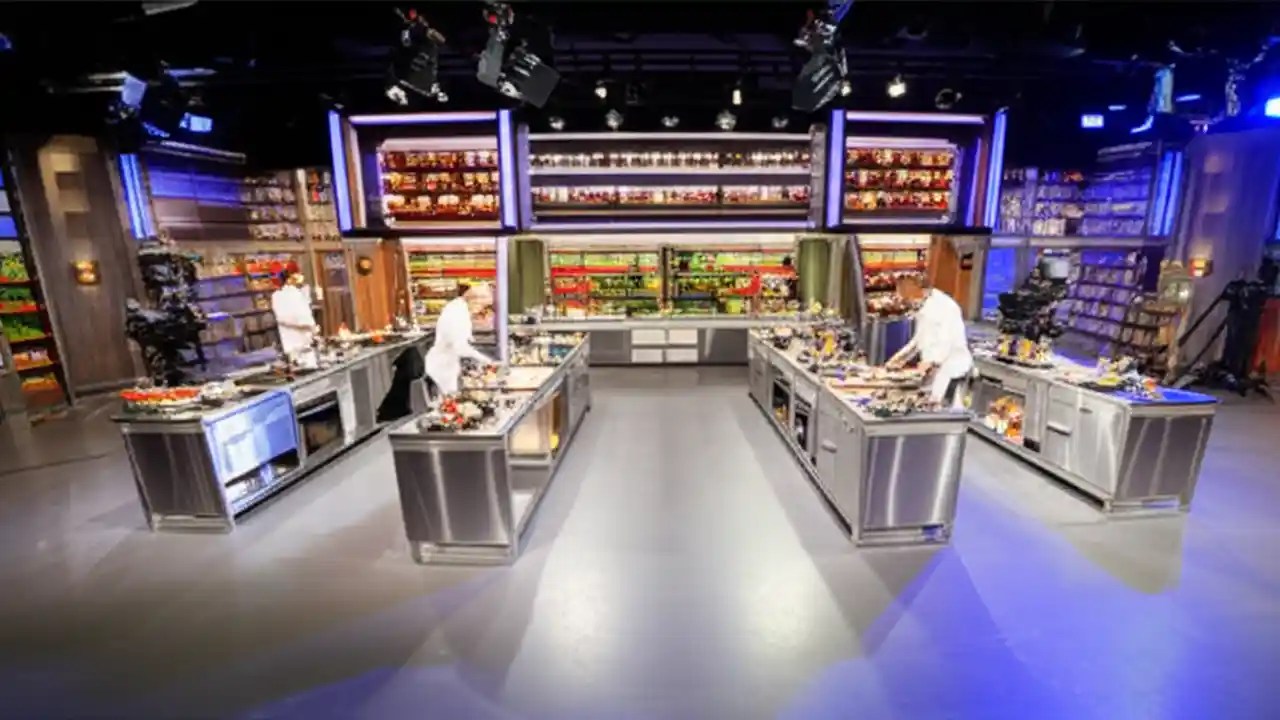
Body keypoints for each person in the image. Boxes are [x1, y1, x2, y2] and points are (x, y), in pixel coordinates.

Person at [886, 275, 973, 408]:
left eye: (905, 297)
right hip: (933, 371)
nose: (906, 302)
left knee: (944, 413)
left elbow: (946, 341)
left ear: (916, 289)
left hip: (951, 370)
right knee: (927, 405)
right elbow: (919, 339)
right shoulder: (924, 306)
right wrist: (899, 358)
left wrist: (930, 362)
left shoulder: (946, 306)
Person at [425, 282, 494, 397]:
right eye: (483, 306)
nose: (481, 311)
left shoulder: (458, 307)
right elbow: (461, 348)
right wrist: (486, 360)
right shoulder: (458, 313)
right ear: (475, 300)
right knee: (447, 401)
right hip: (442, 368)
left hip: (445, 364)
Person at [270, 270, 319, 358]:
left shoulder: (279, 296)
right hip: (299, 341)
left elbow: (282, 318)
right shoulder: (292, 294)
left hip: (294, 342)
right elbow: (302, 318)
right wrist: (311, 327)